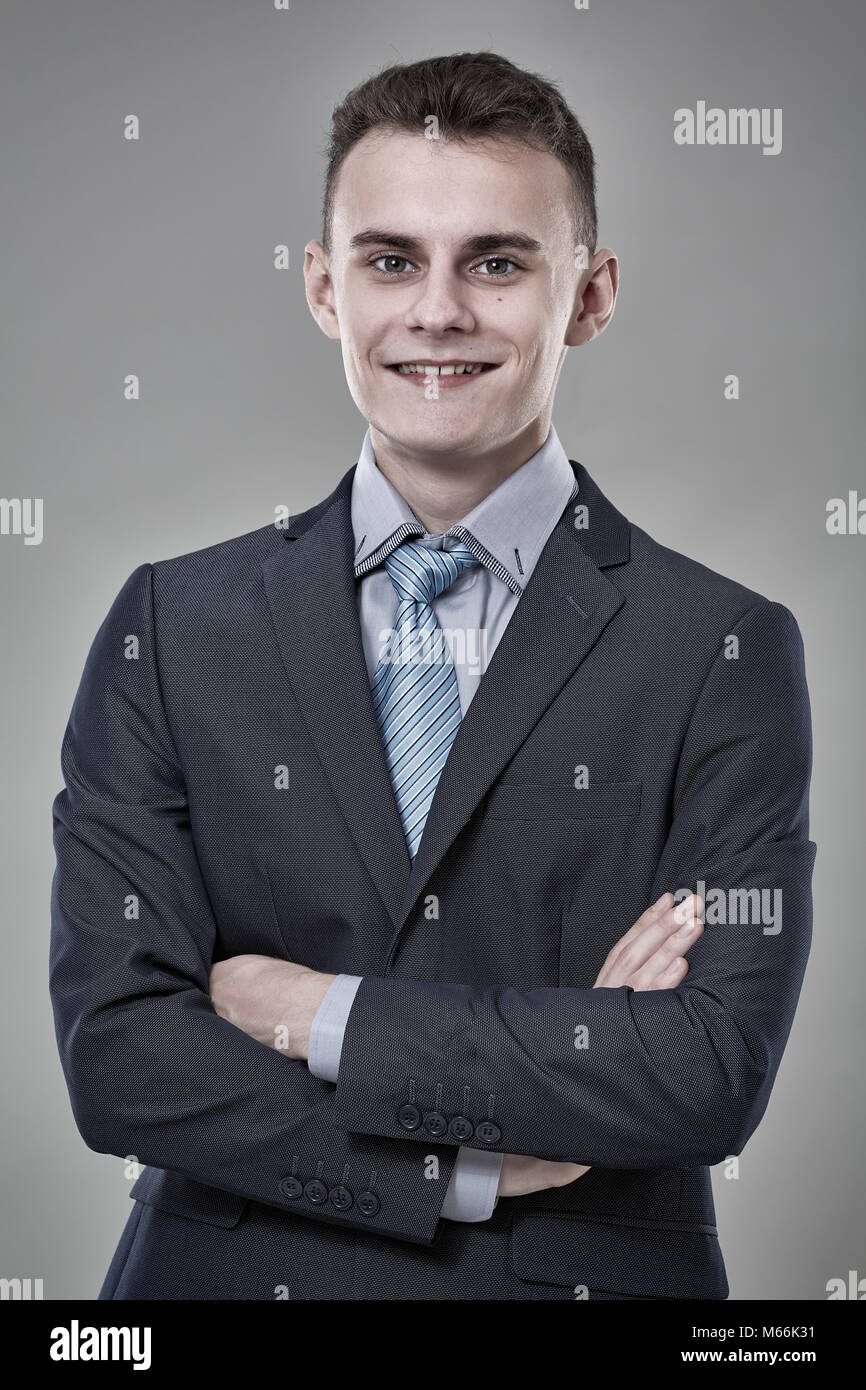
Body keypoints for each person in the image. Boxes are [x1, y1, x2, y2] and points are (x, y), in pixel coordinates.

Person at [50, 51, 815, 1301]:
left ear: (589, 295)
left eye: (497, 262)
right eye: (390, 259)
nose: (438, 310)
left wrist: (311, 1011)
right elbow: (123, 1057)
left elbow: (704, 1067)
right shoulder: (168, 625)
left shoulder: (720, 648)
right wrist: (463, 1161)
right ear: (321, 287)